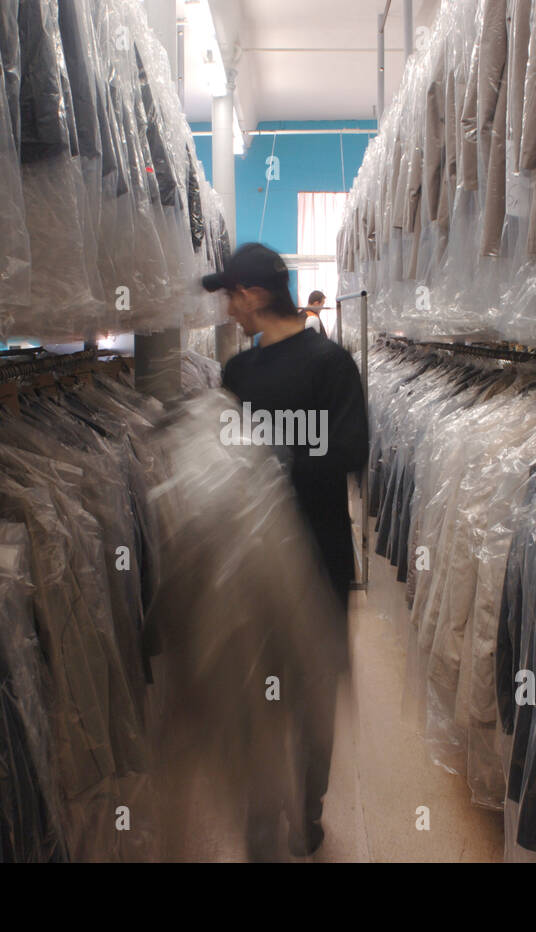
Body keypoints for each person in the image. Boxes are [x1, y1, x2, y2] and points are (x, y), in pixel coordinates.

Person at [202, 243, 368, 859]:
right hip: (255, 564)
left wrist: (274, 464)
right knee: (260, 691)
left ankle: (306, 811)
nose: (230, 308)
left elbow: (351, 453)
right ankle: (266, 816)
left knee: (309, 693)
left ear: (253, 295)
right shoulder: (238, 374)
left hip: (315, 557)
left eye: (232, 296)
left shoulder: (331, 364)